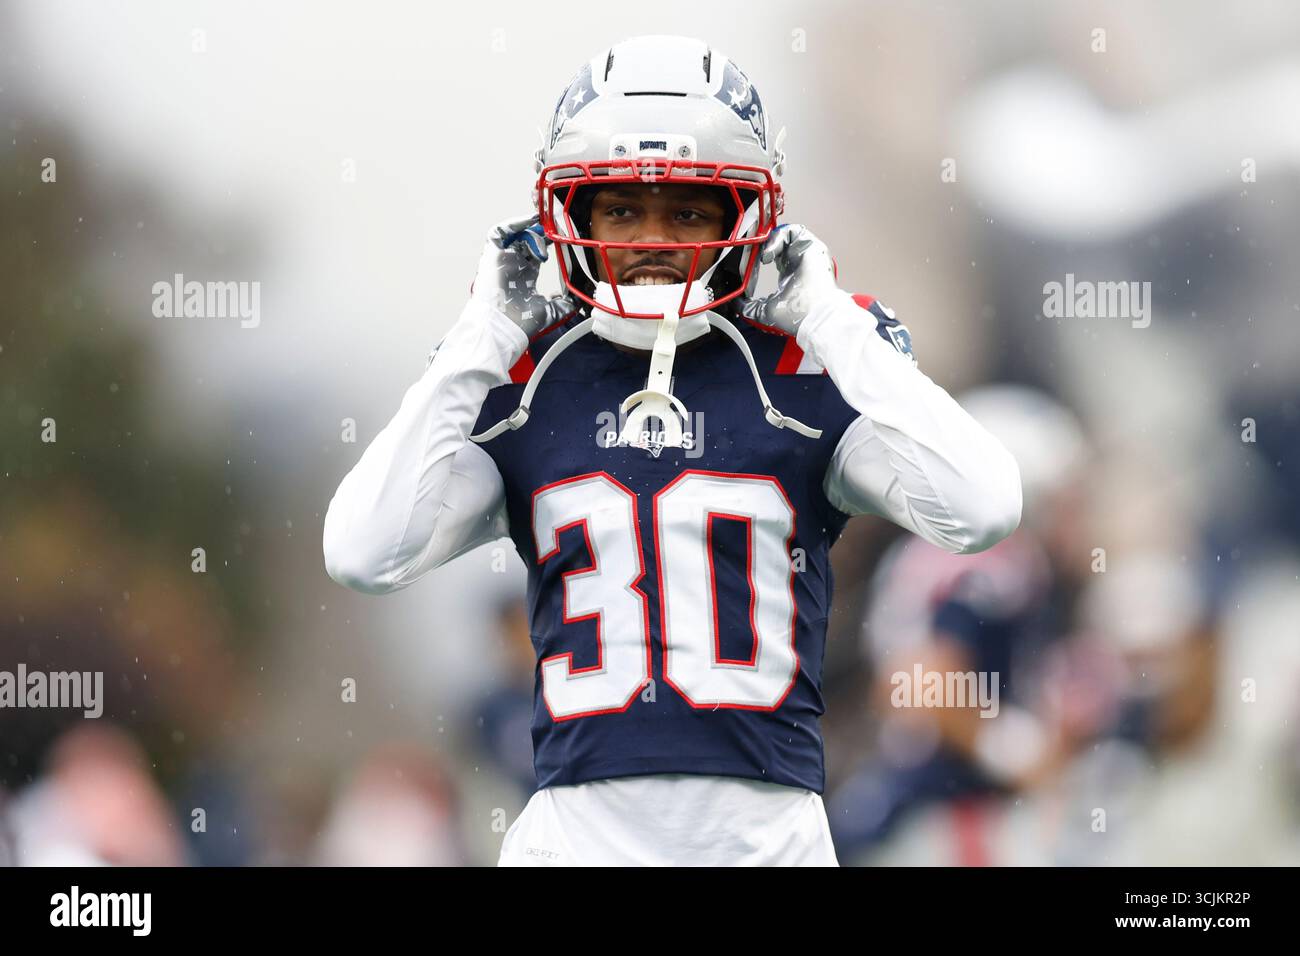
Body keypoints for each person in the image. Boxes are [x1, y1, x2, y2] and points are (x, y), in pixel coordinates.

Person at [323, 34, 1022, 866]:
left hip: (767, 845)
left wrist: (833, 320)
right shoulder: (522, 376)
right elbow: (362, 550)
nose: (655, 236)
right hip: (575, 845)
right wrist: (478, 338)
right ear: (572, 216)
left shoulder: (801, 368)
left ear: (747, 217)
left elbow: (984, 508)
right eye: (622, 208)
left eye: (687, 209)